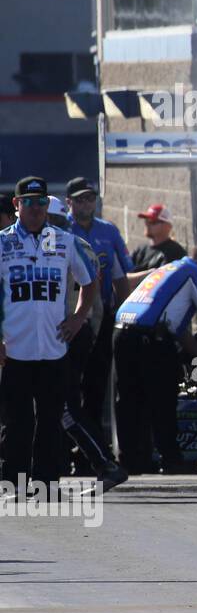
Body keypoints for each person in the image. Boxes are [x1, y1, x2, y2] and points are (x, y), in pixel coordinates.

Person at [0, 178, 95, 492]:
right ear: (17, 205)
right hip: (14, 349)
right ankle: (14, 483)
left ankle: (46, 483)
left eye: (41, 202)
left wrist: (78, 318)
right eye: (29, 202)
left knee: (51, 420)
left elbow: (90, 281)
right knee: (17, 422)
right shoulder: (2, 243)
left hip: (54, 348)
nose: (36, 209)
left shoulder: (65, 241)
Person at [113, 240, 197, 474]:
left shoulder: (169, 269)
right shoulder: (196, 272)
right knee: (163, 399)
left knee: (131, 401)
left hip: (123, 332)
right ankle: (172, 459)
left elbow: (179, 331)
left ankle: (132, 460)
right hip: (151, 338)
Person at [48, 199, 127, 488]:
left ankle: (104, 463)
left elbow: (91, 290)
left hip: (65, 334)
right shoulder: (77, 245)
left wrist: (78, 326)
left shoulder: (58, 248)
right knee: (52, 406)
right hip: (75, 332)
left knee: (65, 407)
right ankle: (50, 466)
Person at [64, 177, 131, 449]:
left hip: (101, 315)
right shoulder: (61, 229)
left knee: (96, 385)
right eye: (79, 199)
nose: (86, 204)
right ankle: (68, 449)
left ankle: (90, 453)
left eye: (90, 198)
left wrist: (123, 315)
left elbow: (121, 277)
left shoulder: (108, 231)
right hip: (68, 317)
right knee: (68, 387)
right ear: (69, 202)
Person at [129, 203, 187, 274]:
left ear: (167, 226)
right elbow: (124, 275)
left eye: (153, 222)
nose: (147, 224)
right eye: (146, 221)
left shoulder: (175, 252)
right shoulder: (141, 250)